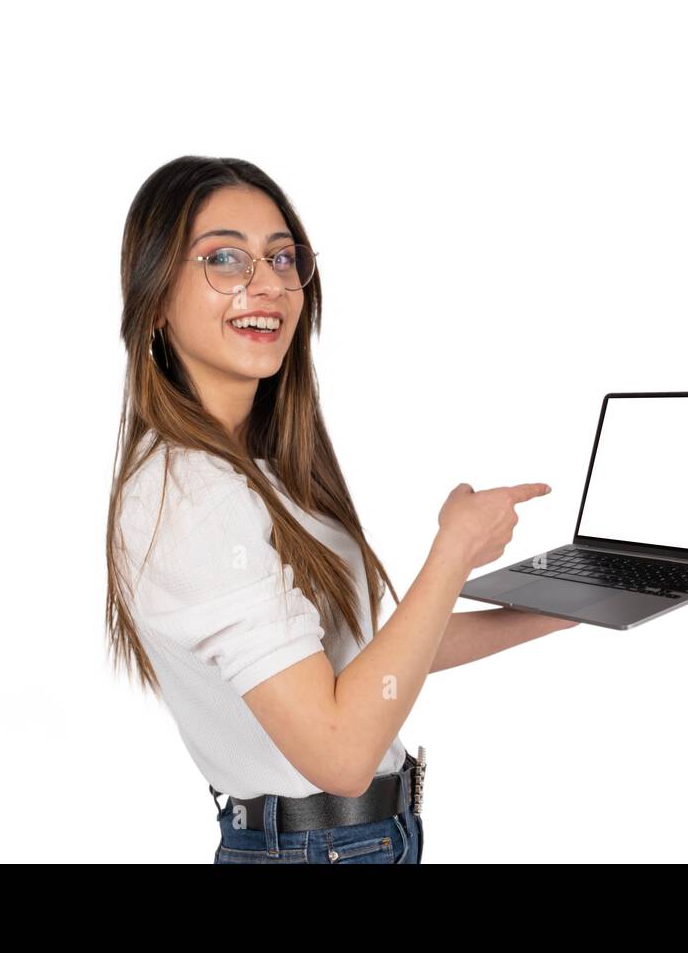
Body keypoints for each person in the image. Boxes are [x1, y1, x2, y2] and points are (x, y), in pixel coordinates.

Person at [104, 155, 577, 863]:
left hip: (355, 843)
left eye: (282, 256)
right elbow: (341, 752)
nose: (265, 284)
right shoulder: (199, 500)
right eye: (223, 259)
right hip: (324, 847)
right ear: (154, 296)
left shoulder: (255, 471)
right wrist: (453, 551)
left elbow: (363, 664)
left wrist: (571, 604)